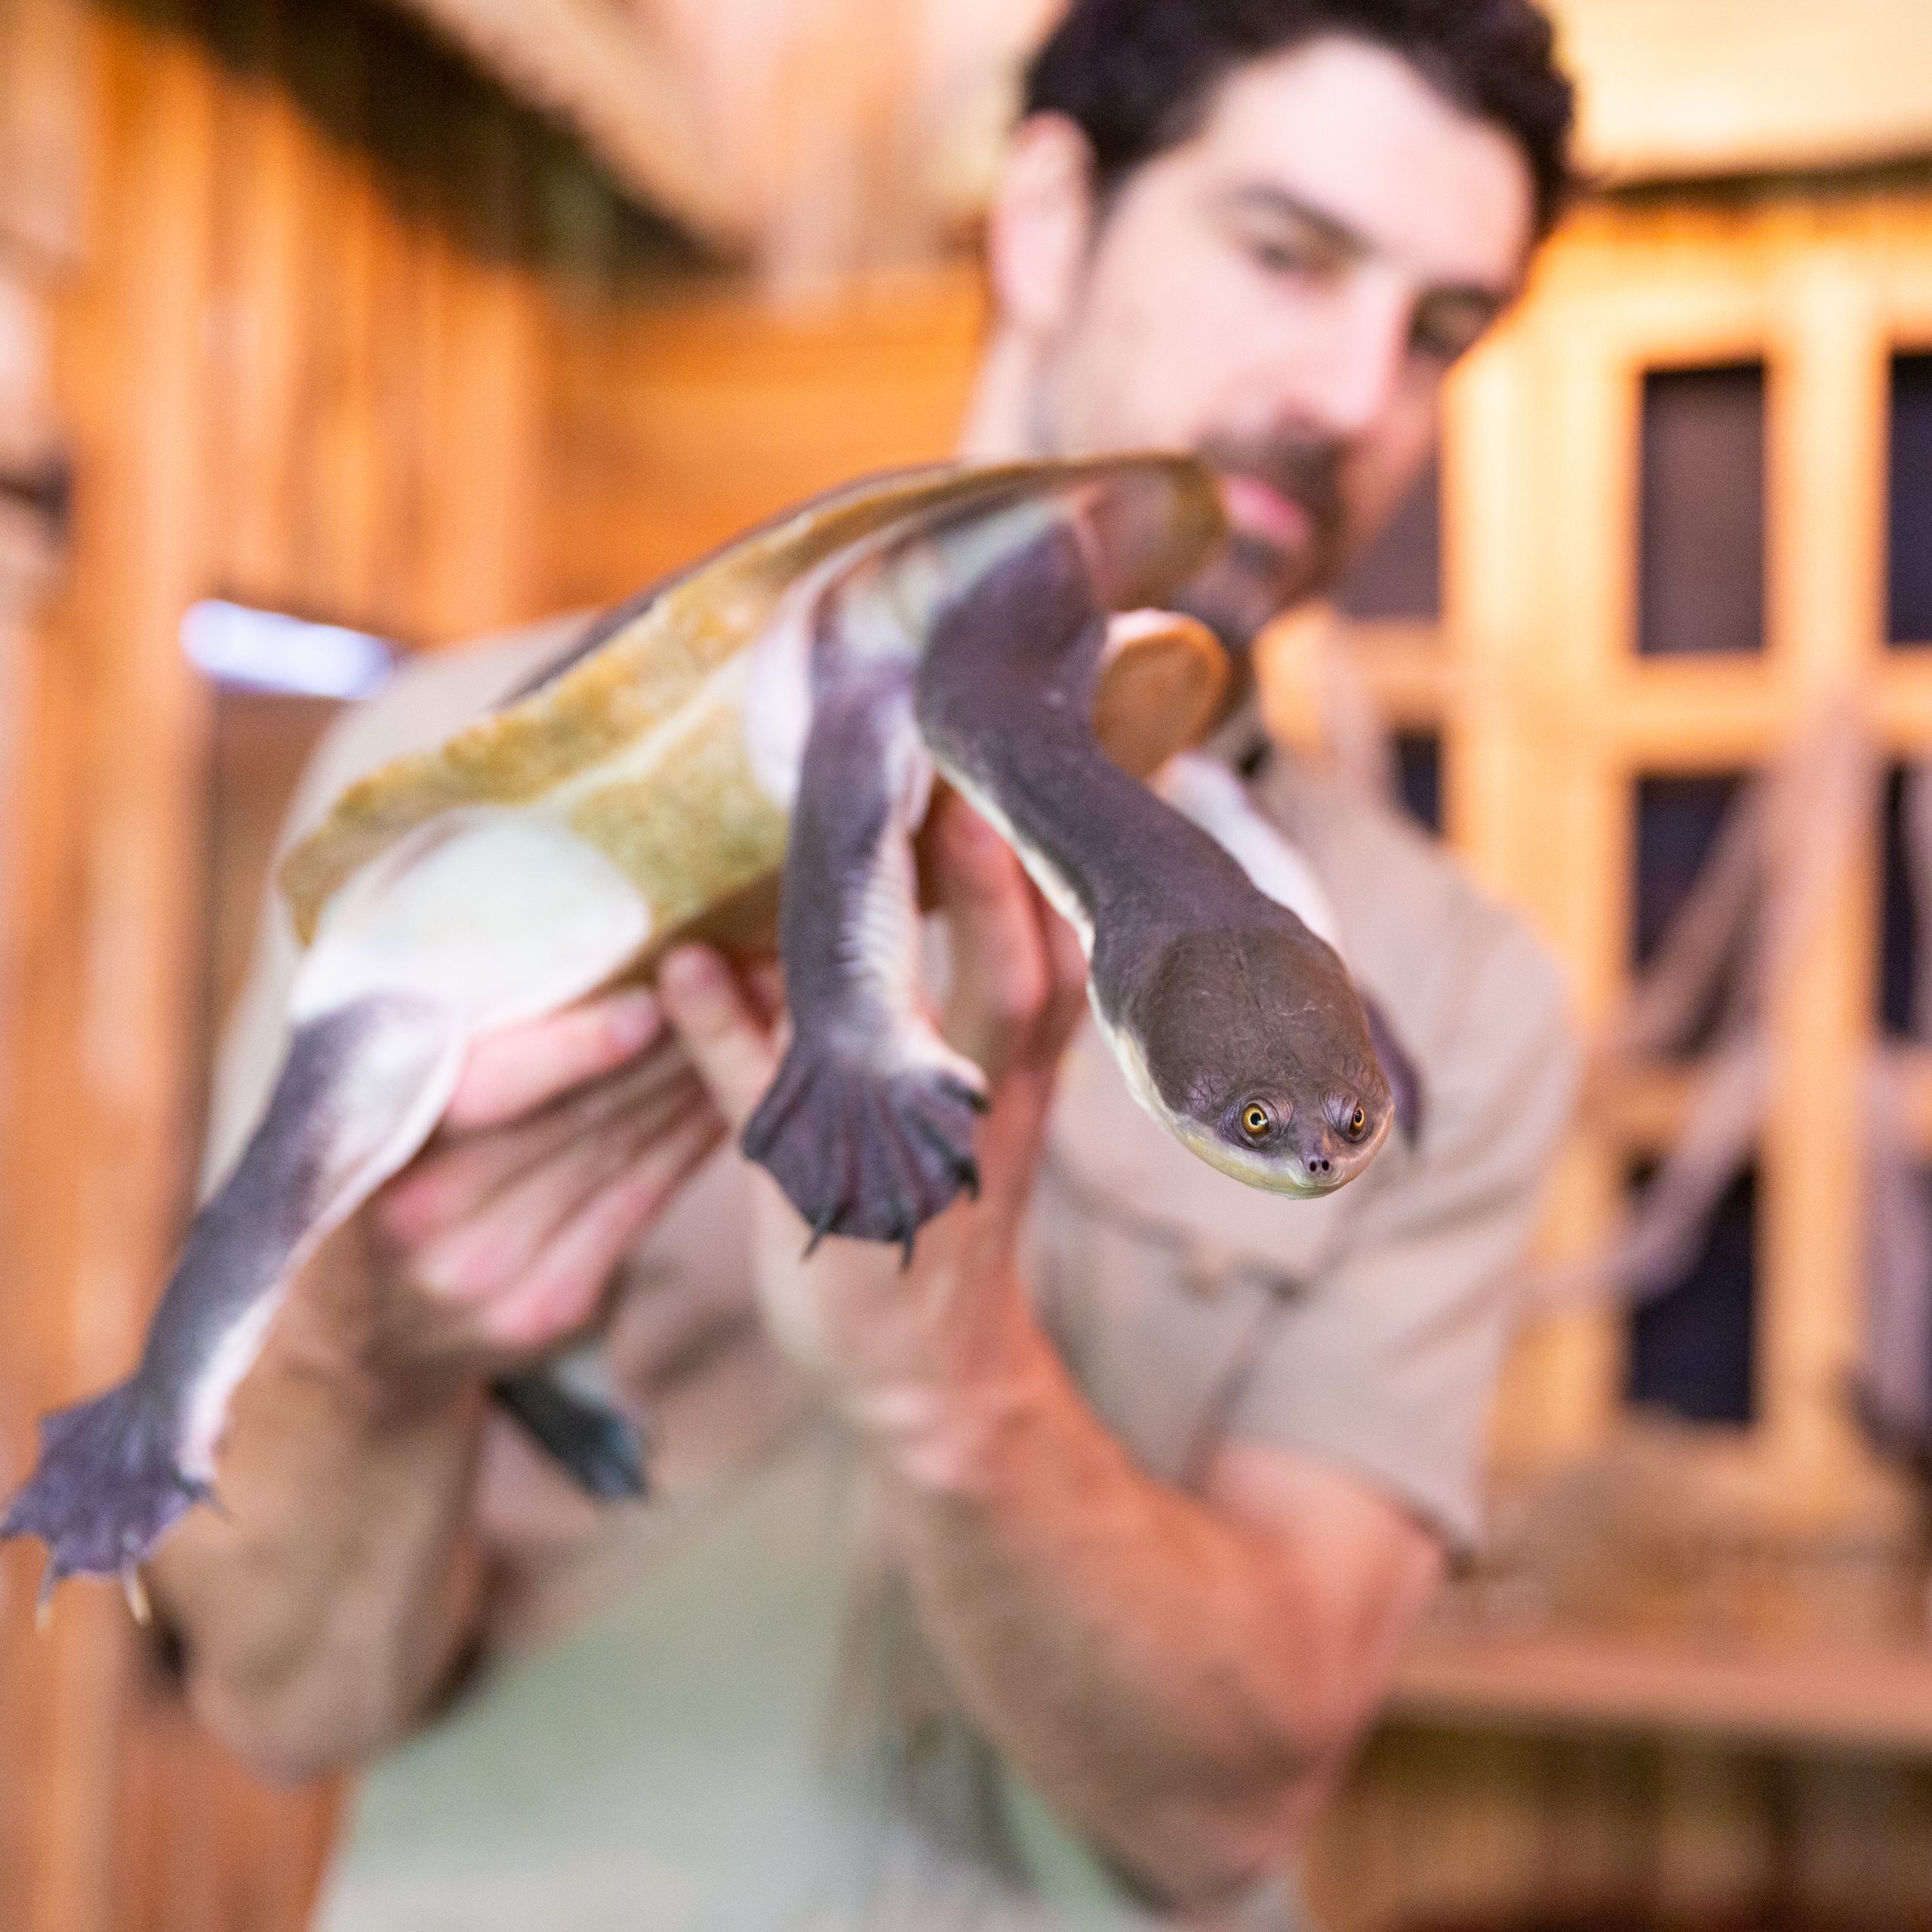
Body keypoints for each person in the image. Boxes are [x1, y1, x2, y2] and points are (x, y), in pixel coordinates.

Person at [151, 3, 1581, 1926]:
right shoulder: (451, 794)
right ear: (1047, 217)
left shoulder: (1446, 997)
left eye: (1437, 329)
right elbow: (274, 1698)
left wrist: (957, 1387)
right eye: (1284, 251)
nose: (1351, 392)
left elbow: (1239, 1794)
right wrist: (369, 1343)